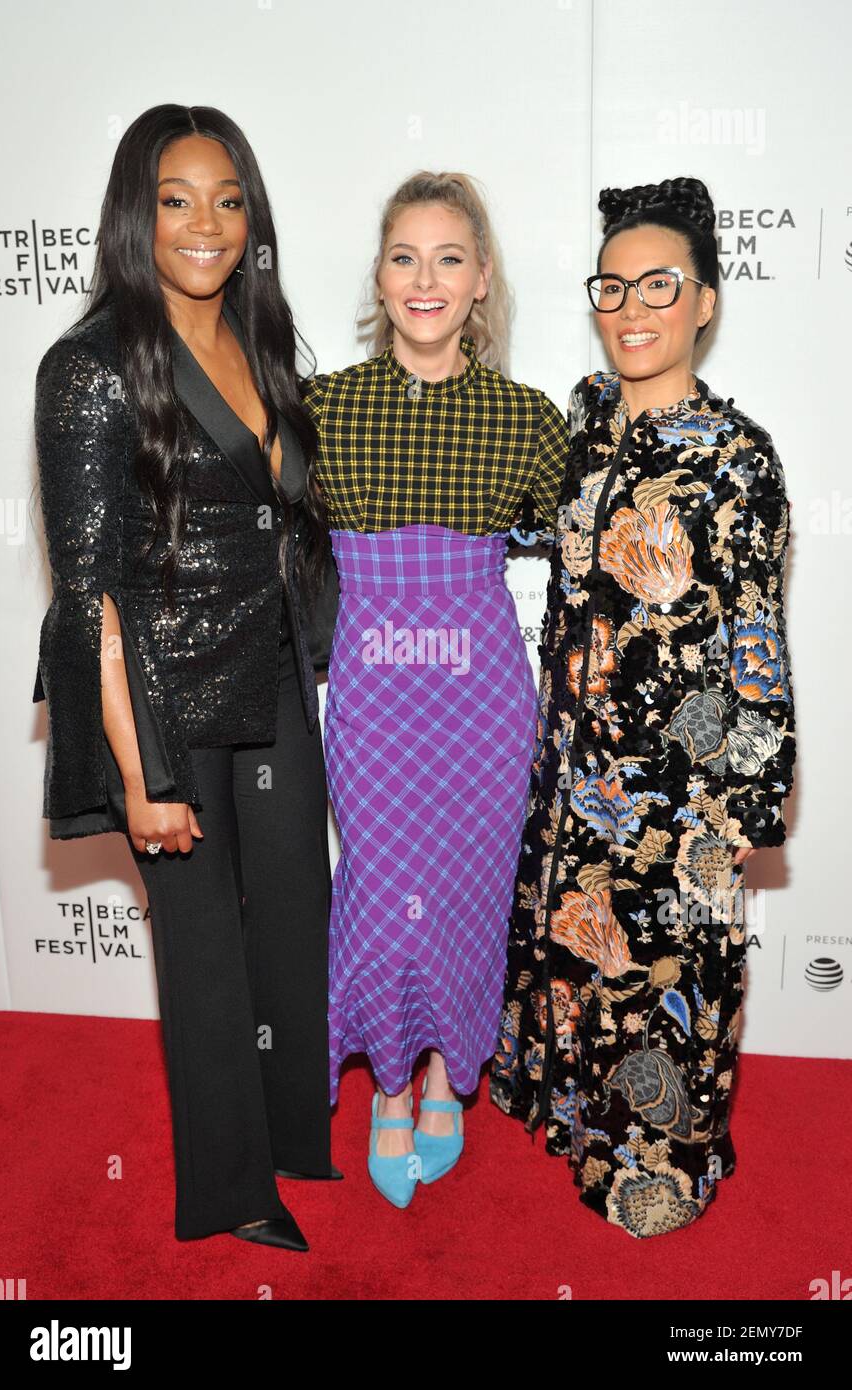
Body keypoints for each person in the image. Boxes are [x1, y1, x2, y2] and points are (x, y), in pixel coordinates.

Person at [32, 104, 340, 1250]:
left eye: (226, 199)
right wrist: (138, 769)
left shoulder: (263, 338)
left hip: (269, 681)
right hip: (164, 698)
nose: (205, 223)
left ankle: (289, 1131)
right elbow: (90, 591)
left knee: (294, 915)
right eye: (175, 199)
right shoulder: (90, 368)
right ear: (134, 213)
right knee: (204, 949)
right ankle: (231, 1189)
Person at [489, 176, 796, 1238]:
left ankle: (656, 1166)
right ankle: (578, 1123)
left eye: (657, 285)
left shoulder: (734, 458)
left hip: (680, 787)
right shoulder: (576, 420)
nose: (630, 308)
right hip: (575, 769)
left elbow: (755, 637)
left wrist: (745, 811)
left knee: (666, 981)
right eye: (611, 286)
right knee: (576, 963)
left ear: (702, 300)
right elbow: (530, 541)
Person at [301, 171, 569, 1207]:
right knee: (377, 887)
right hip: (373, 690)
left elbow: (573, 548)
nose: (425, 279)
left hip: (481, 698)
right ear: (379, 275)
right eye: (404, 257)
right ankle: (381, 1074)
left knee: (462, 892)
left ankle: (436, 1073)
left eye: (447, 258)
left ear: (480, 278)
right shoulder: (322, 408)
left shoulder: (526, 420)